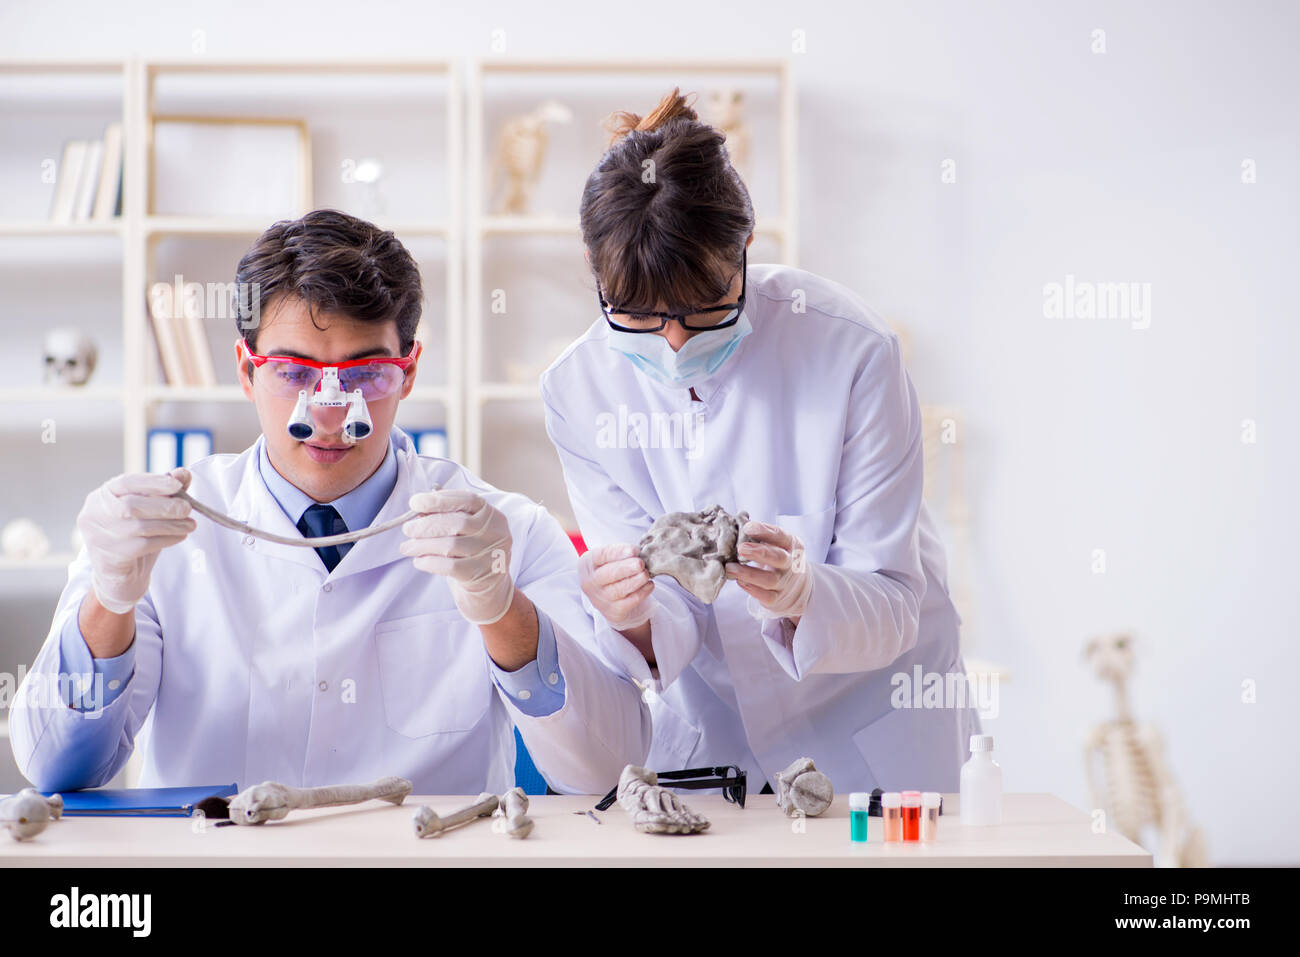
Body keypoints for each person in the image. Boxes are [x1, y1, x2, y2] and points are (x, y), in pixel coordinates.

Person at [11, 209, 649, 795]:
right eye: (291, 370)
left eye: (366, 374)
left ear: (409, 370)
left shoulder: (505, 532)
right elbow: (52, 769)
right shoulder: (161, 531)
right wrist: (109, 601)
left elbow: (605, 771)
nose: (327, 413)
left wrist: (501, 608)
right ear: (245, 369)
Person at [540, 90, 981, 794]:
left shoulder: (850, 350)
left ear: (745, 246)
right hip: (722, 742)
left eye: (706, 308)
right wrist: (630, 614)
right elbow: (670, 614)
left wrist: (806, 593)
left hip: (880, 731)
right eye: (639, 317)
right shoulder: (578, 392)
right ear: (595, 269)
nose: (675, 341)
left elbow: (894, 602)